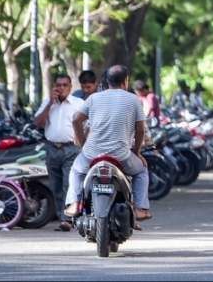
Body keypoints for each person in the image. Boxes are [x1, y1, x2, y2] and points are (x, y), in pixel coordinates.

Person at [64, 65, 151, 222]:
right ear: (126, 80)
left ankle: (75, 203)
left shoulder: (93, 98)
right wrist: (137, 153)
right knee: (142, 171)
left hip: (91, 155)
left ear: (106, 82)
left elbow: (76, 120)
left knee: (76, 170)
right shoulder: (134, 99)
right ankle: (138, 208)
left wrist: (83, 146)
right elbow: (140, 130)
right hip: (121, 156)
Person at [34, 74, 81, 232]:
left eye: (65, 85)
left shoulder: (78, 103)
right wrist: (50, 104)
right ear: (54, 86)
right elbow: (38, 123)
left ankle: (66, 219)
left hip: (71, 149)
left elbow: (88, 125)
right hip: (52, 148)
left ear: (70, 87)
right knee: (56, 185)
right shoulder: (48, 103)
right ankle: (63, 215)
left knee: (69, 183)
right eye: (58, 85)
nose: (61, 88)